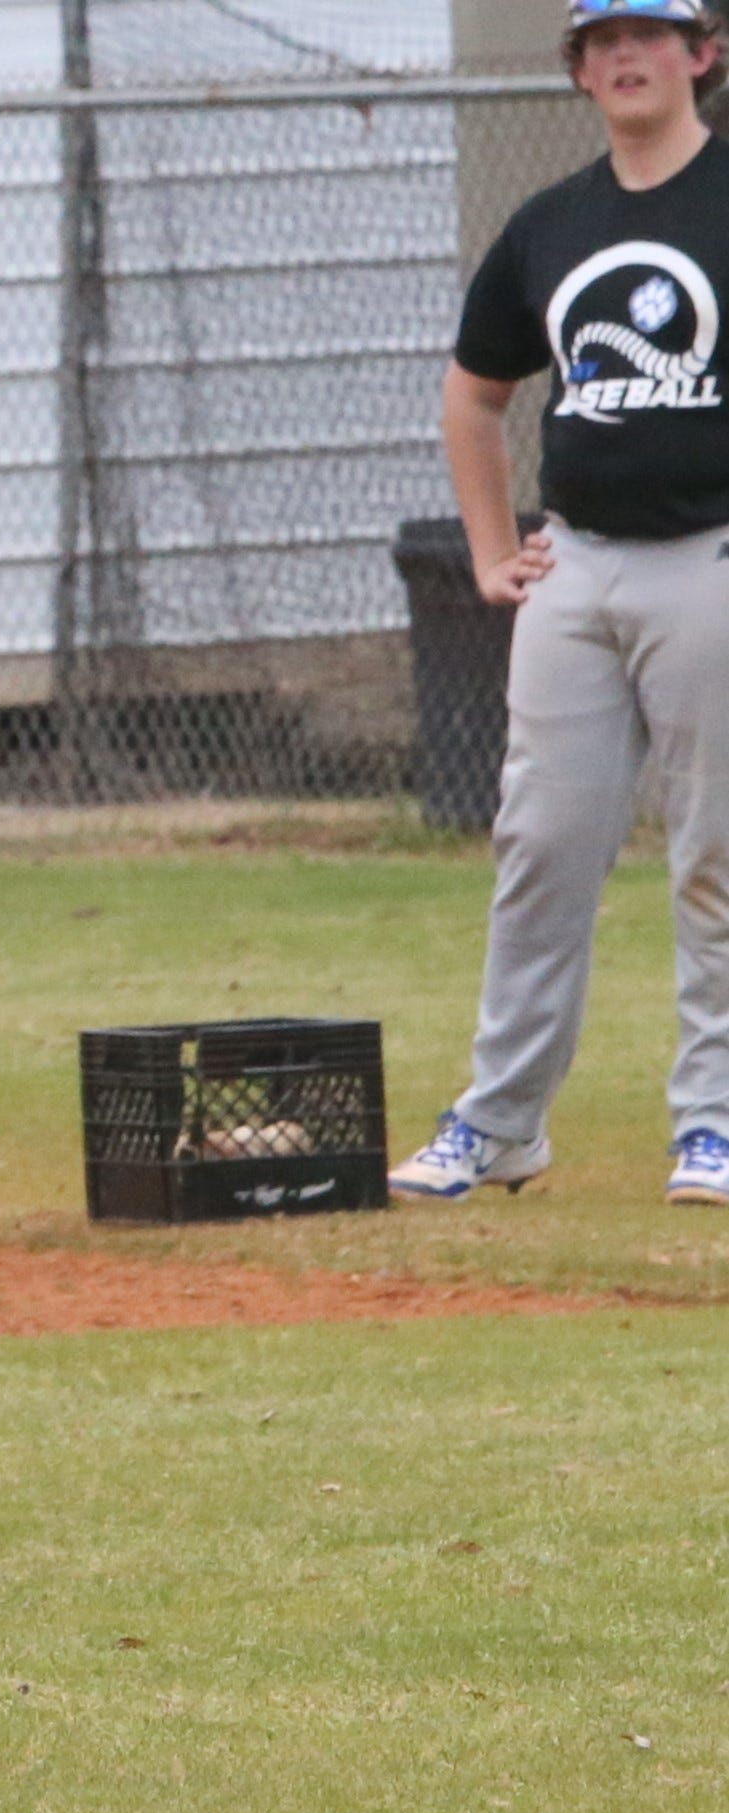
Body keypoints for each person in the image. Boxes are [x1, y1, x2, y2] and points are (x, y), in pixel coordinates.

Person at [391, 0, 729, 1207]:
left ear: (702, 53)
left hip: (709, 562)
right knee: (539, 847)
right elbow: (472, 393)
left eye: (649, 34)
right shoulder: (552, 224)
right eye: (598, 42)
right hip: (576, 566)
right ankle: (500, 1121)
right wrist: (492, 550)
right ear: (578, 71)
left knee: (714, 854)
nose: (623, 57)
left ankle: (713, 1124)